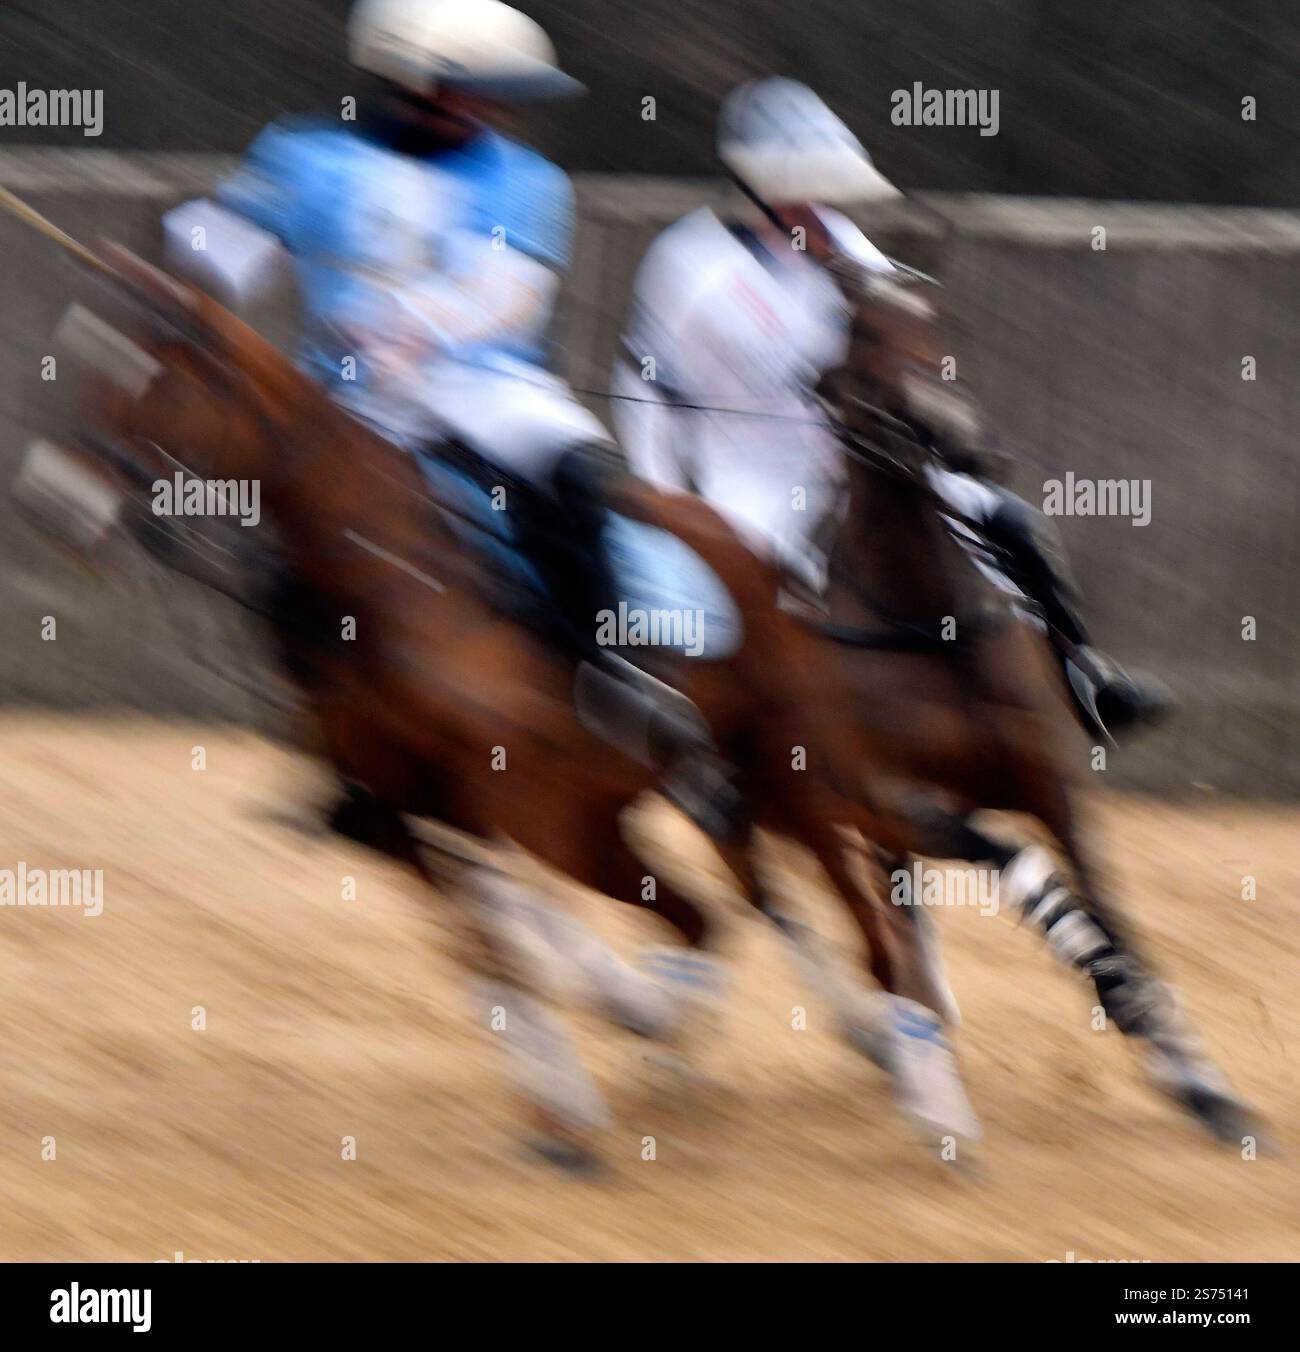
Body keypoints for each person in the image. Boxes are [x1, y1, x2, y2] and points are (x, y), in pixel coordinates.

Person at [162, 0, 741, 834]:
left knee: (583, 477)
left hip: (486, 388)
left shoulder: (524, 179)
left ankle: (620, 672)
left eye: (484, 93)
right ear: (397, 81)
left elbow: (508, 293)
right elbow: (221, 253)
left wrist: (417, 328)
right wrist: (182, 275)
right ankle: (342, 749)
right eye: (454, 90)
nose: (475, 107)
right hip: (349, 400)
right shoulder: (303, 157)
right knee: (288, 553)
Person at [613, 77, 1170, 740]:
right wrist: (666, 498)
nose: (814, 205)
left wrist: (943, 423)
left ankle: (1089, 677)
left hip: (861, 461)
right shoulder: (687, 263)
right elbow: (644, 385)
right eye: (798, 188)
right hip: (747, 482)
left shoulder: (839, 240)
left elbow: (898, 344)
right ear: (751, 182)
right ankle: (726, 760)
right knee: (726, 618)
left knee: (1011, 522)